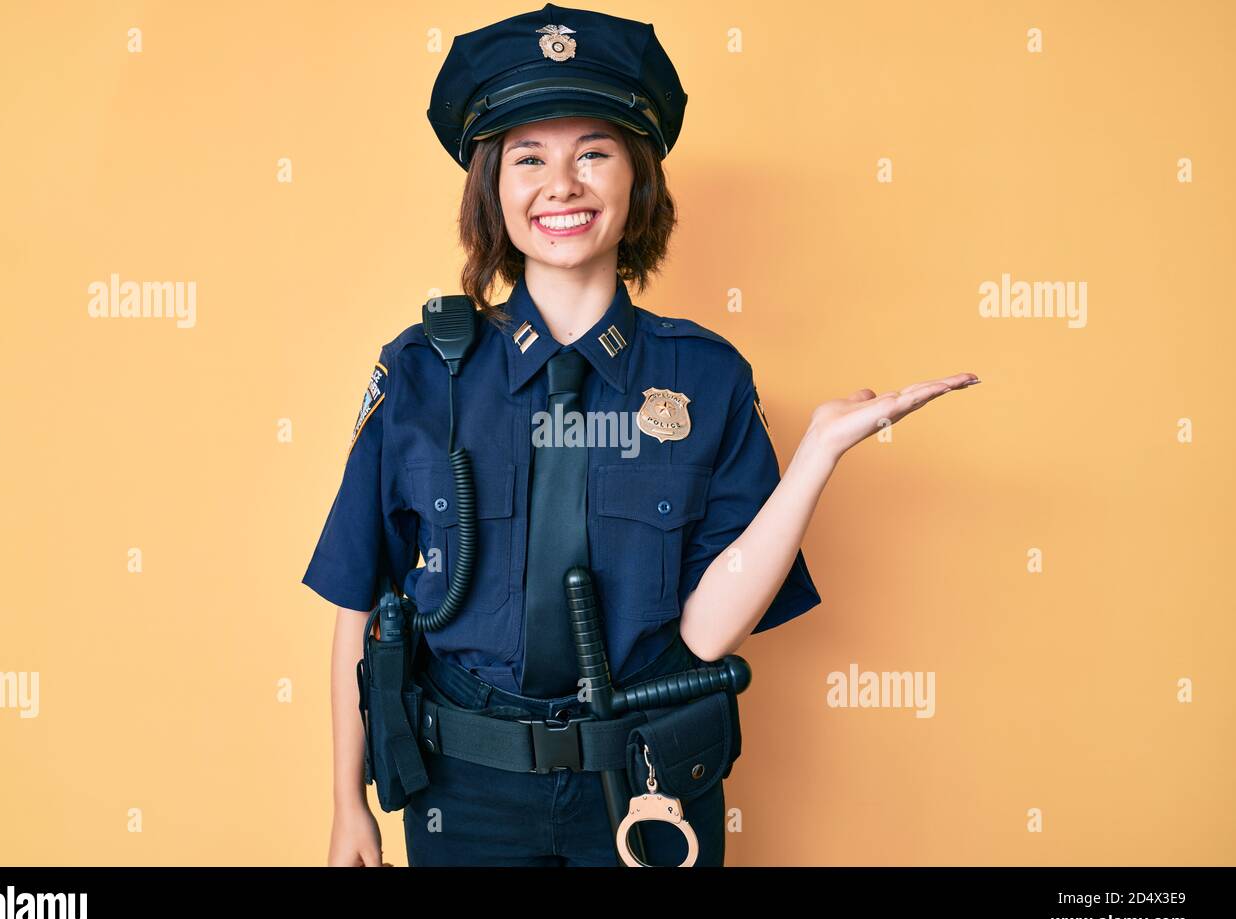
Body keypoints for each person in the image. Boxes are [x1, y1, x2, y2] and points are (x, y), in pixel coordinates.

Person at [304, 3, 979, 867]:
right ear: (492, 188)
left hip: (650, 784)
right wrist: (345, 804)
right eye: (529, 158)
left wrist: (815, 458)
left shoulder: (707, 378)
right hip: (462, 792)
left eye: (594, 152)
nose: (562, 185)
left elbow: (704, 632)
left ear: (637, 179)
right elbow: (356, 603)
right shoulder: (419, 373)